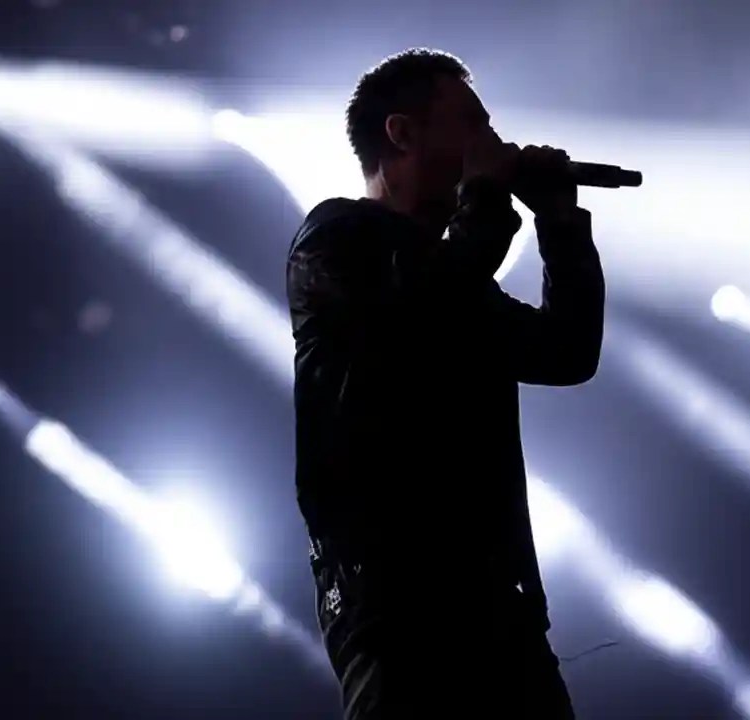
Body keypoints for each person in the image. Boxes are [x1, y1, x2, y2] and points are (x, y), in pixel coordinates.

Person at [286, 47, 605, 719]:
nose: (493, 144)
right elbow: (420, 315)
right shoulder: (337, 238)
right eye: (473, 125)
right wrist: (487, 194)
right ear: (401, 133)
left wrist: (561, 223)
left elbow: (567, 351)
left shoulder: (456, 283)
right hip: (400, 613)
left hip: (495, 607)